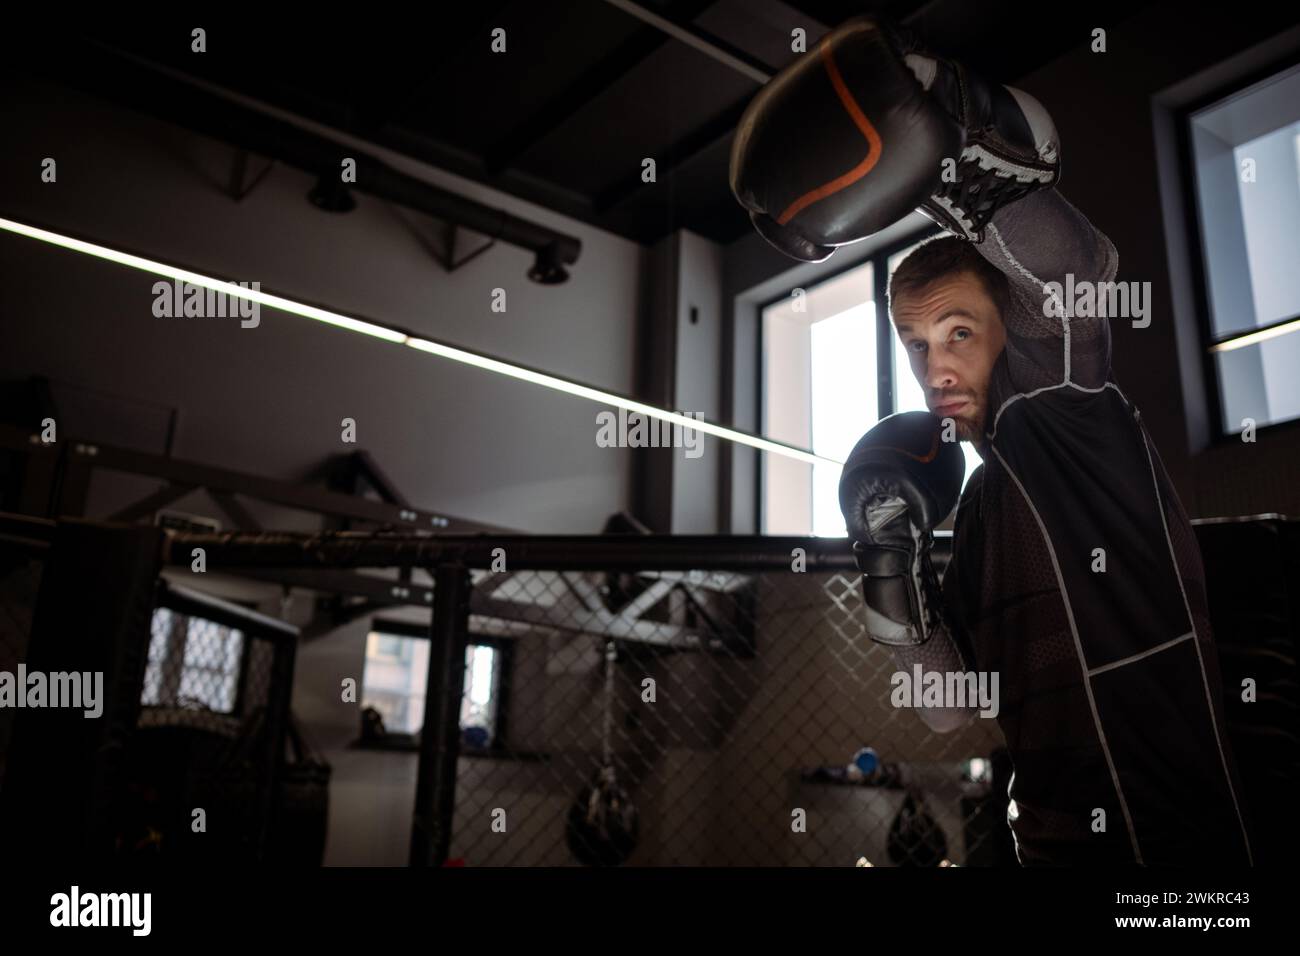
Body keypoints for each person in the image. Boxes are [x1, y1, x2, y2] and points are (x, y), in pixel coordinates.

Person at [731, 15, 1254, 865]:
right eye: (917, 345)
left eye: (959, 334)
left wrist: (952, 144)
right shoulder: (977, 508)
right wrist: (888, 562)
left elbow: (1077, 274)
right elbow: (946, 706)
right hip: (1044, 845)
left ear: (1009, 330)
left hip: (1175, 855)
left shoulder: (1068, 420)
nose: (935, 368)